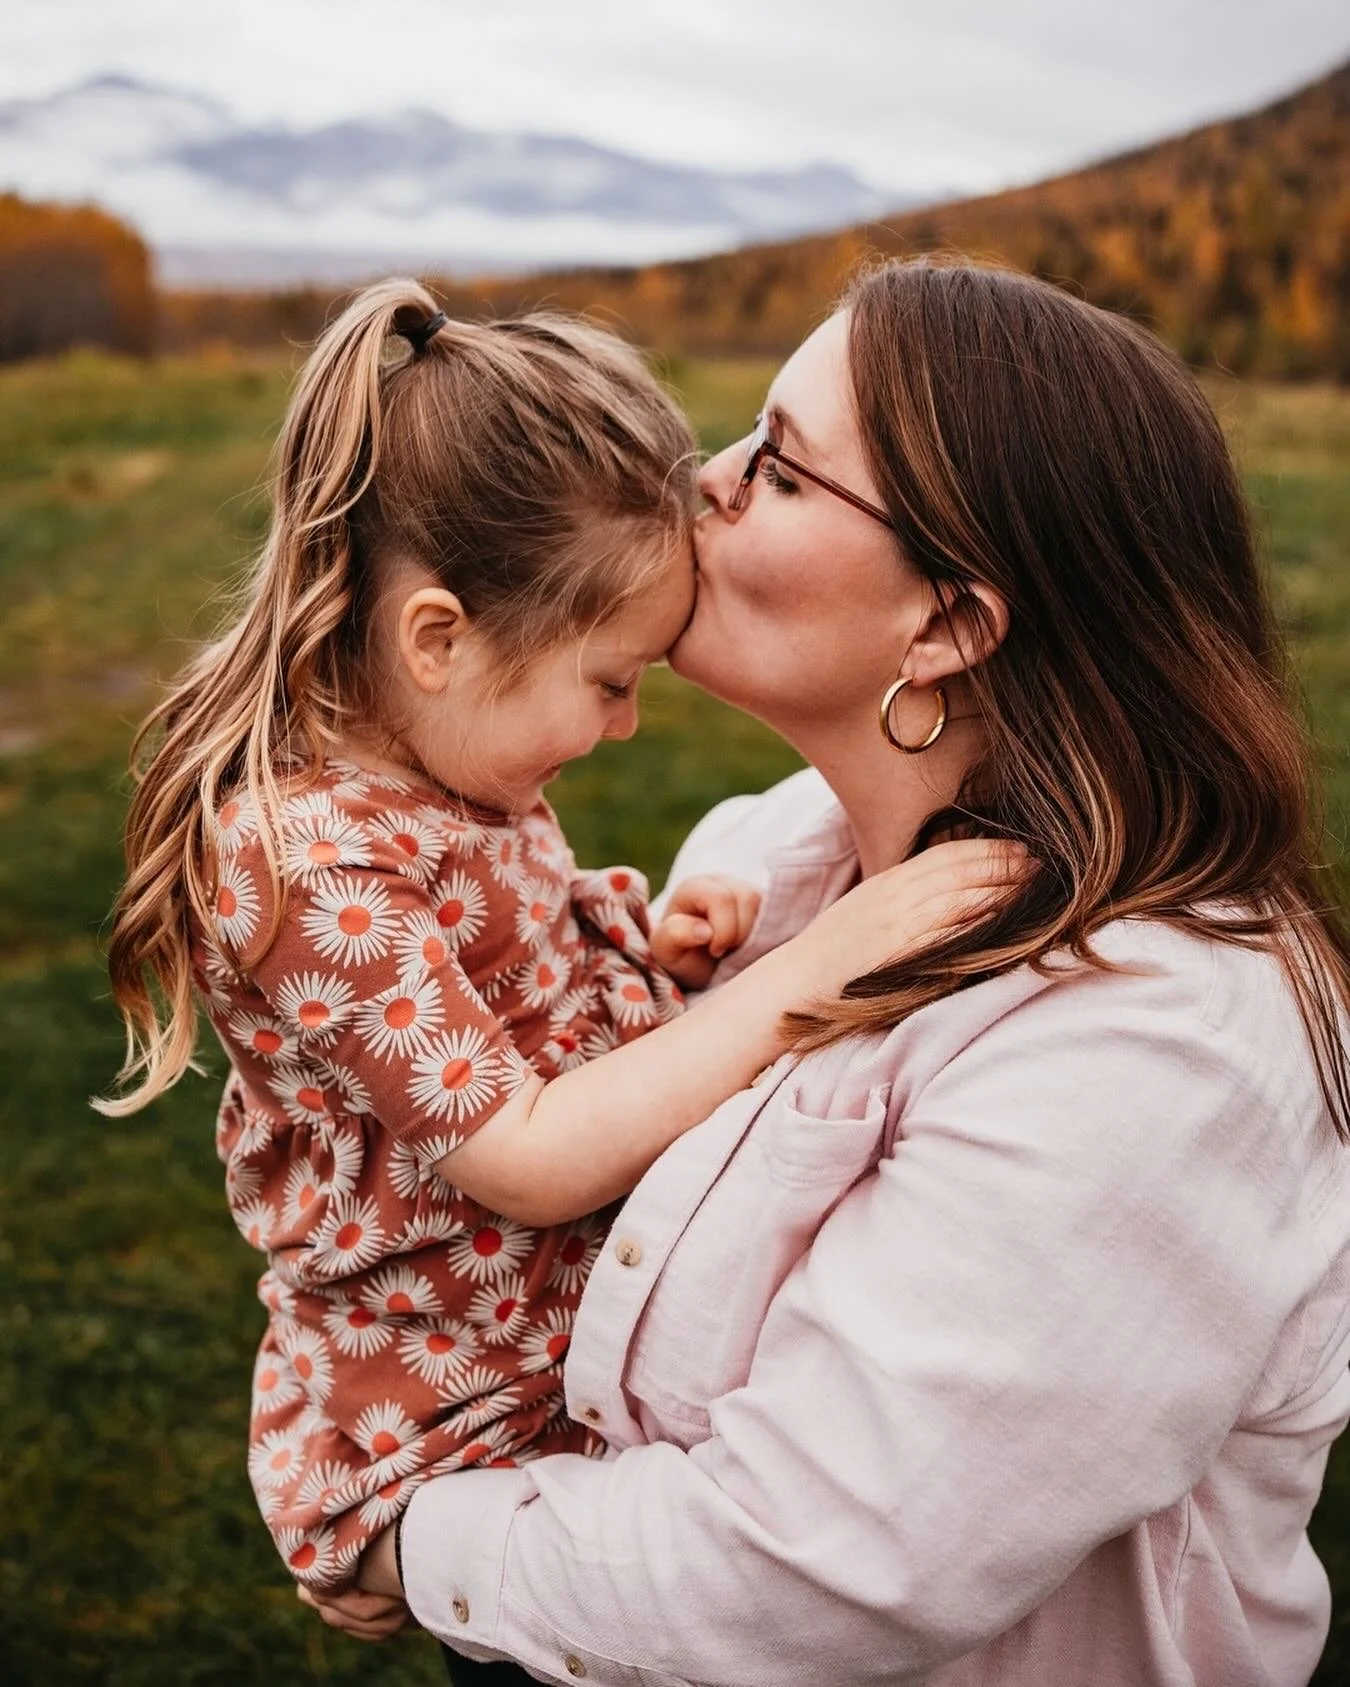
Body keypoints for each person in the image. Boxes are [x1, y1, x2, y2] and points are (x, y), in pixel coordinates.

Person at [316, 259, 1350, 1687]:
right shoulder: (764, 860)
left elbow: (811, 1564)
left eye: (782, 471)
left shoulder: (1150, 1036)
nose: (702, 483)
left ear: (946, 625)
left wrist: (408, 1531)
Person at [97, 279, 1018, 1616]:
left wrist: (640, 953)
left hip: (557, 1372)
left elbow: (494, 981)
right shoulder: (307, 868)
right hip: (468, 1424)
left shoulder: (454, 774)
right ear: (438, 640)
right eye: (609, 679)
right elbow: (521, 1153)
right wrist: (813, 972)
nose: (629, 724)